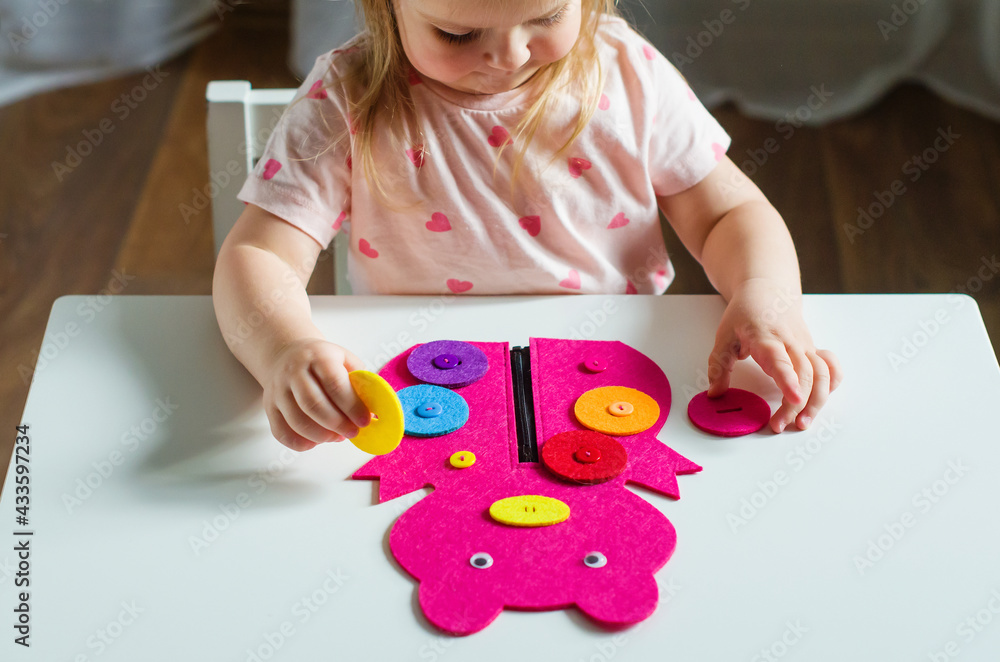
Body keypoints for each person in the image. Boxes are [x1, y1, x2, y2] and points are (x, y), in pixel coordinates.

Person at [213, 0, 843, 452]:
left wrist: (764, 293)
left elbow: (730, 213)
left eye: (546, 18)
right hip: (422, 391)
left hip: (609, 385)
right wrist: (283, 349)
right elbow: (261, 256)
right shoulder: (346, 96)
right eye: (457, 33)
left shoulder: (629, 73)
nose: (509, 56)